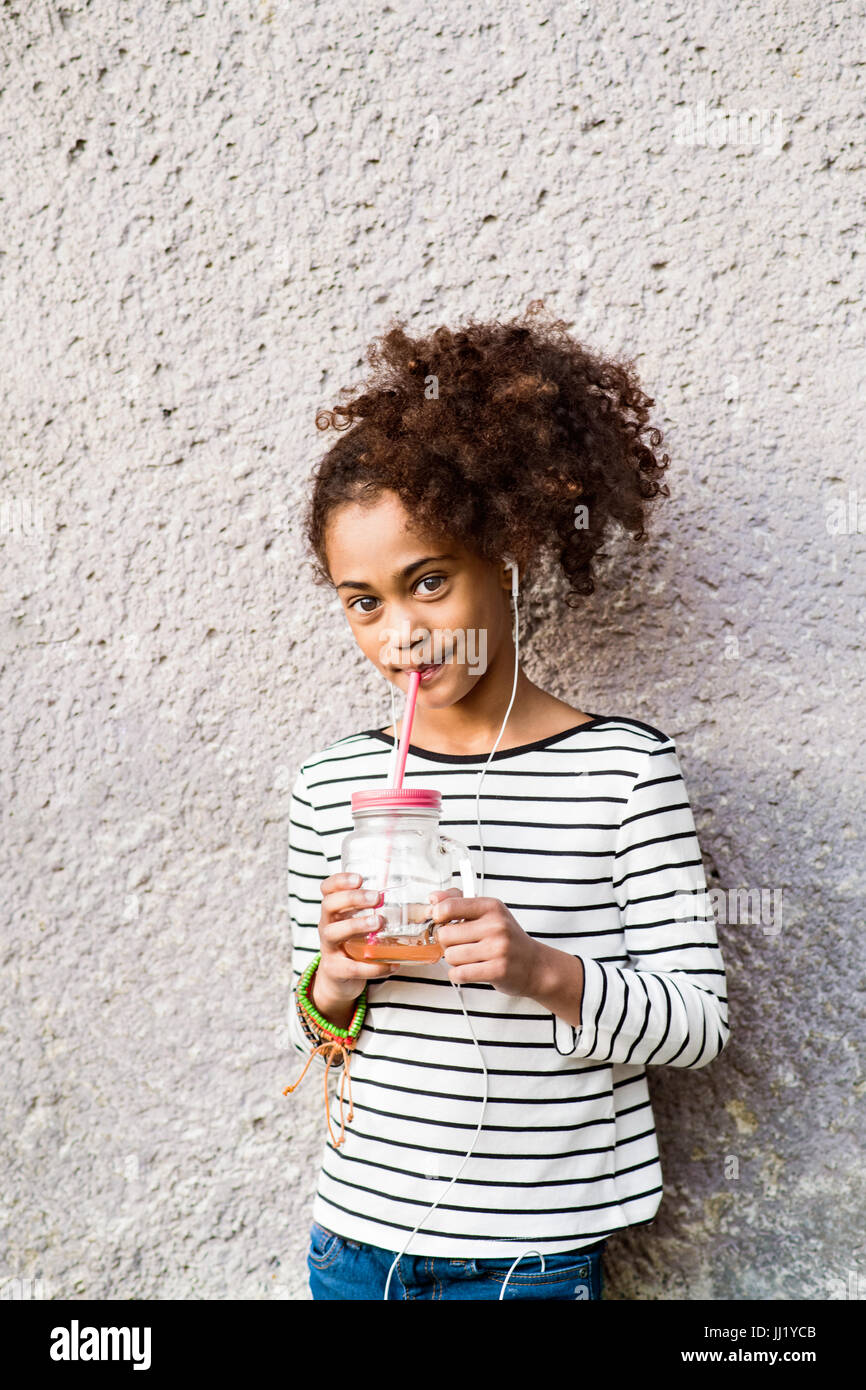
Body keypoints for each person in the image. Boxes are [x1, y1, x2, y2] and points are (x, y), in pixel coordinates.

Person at [285, 301, 730, 1300]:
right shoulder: (330, 787)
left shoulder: (621, 772)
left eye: (427, 581)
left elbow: (697, 1023)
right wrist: (336, 980)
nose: (399, 631)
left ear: (504, 554)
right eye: (364, 601)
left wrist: (542, 970)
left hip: (527, 1258)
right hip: (354, 1241)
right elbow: (312, 1028)